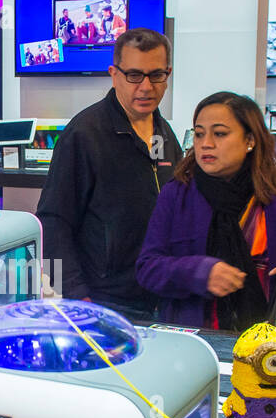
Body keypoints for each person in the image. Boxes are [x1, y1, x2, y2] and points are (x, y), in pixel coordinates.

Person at [137, 92, 276, 331]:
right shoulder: (177, 193)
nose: (206, 143)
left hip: (271, 337)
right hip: (199, 337)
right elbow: (148, 268)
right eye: (199, 133)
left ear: (250, 140)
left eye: (219, 133)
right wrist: (200, 273)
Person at [36, 28, 181, 318]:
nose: (146, 87)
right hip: (104, 303)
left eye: (156, 75)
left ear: (168, 74)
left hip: (161, 299)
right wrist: (77, 298)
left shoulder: (164, 134)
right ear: (114, 74)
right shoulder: (85, 134)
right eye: (134, 75)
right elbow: (53, 221)